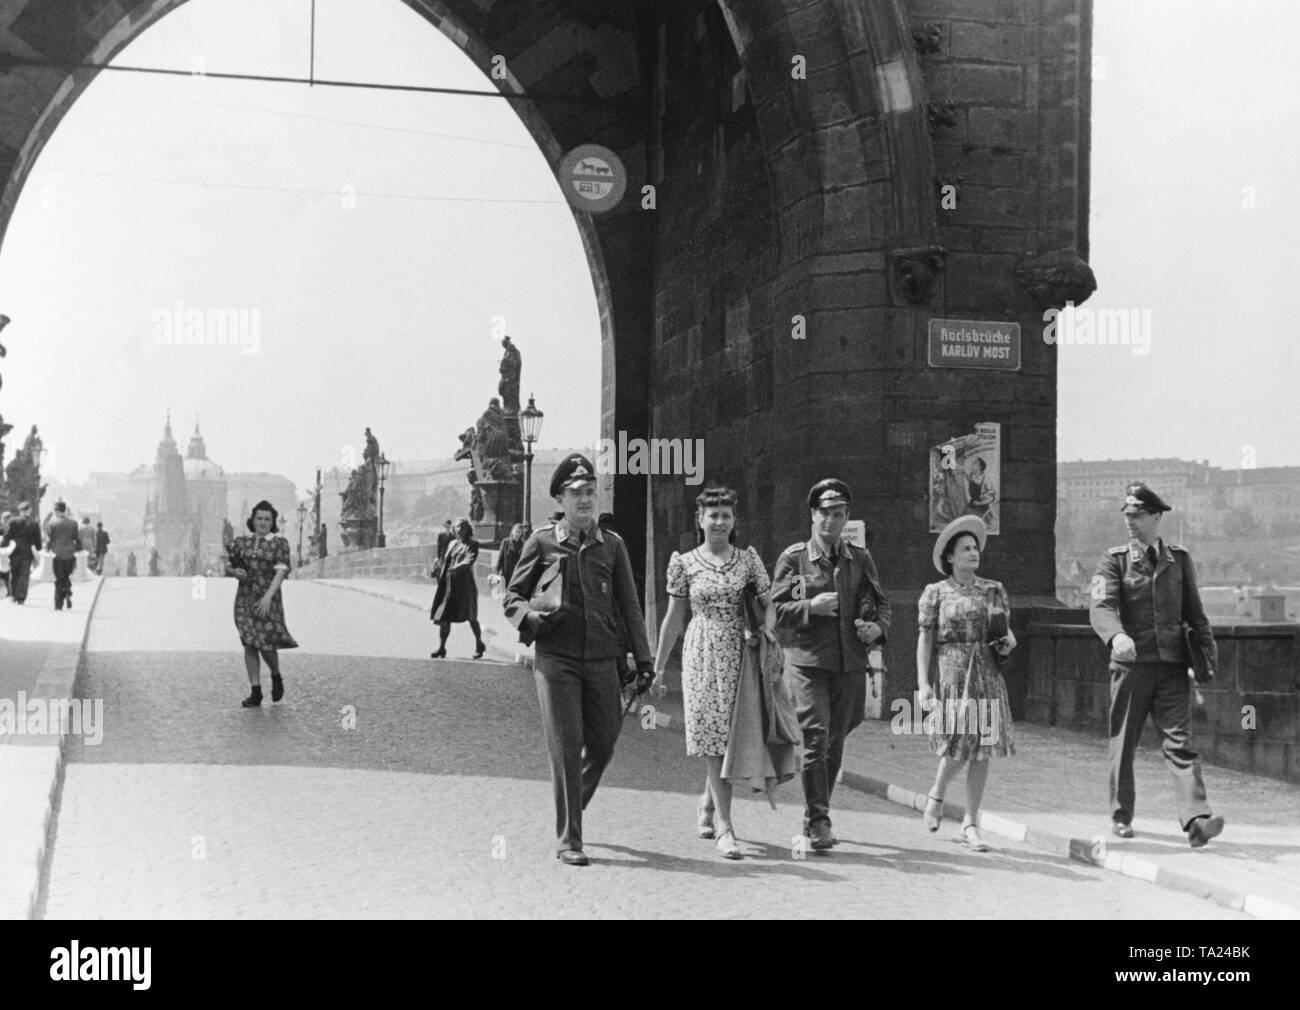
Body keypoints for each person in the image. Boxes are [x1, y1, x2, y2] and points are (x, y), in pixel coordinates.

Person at [503, 453, 654, 866]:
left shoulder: (613, 545)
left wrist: (643, 658)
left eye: (591, 492)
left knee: (603, 744)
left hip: (602, 659)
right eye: (577, 494)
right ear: (560, 499)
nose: (586, 500)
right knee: (566, 748)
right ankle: (570, 838)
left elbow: (630, 605)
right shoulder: (542, 542)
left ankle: (571, 806)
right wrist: (528, 616)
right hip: (556, 661)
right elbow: (512, 595)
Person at [654, 486, 795, 859]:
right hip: (700, 652)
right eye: (712, 515)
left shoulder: (748, 561)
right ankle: (725, 827)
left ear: (734, 521)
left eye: (726, 515)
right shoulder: (684, 564)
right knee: (712, 735)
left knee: (729, 736)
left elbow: (770, 605)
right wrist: (657, 669)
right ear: (699, 520)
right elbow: (673, 619)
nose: (719, 522)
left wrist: (765, 630)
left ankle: (707, 802)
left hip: (741, 653)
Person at [1090, 482, 1223, 847]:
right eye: (1127, 515)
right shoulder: (1113, 560)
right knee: (1124, 742)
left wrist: (1207, 659)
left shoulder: (1179, 560)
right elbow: (1100, 607)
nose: (1130, 521)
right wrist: (1116, 635)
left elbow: (1196, 614)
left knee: (1180, 744)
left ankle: (1197, 819)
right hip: (1131, 667)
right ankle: (1120, 816)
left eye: (1138, 515)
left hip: (1173, 668)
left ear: (1156, 517)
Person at [771, 478, 891, 851]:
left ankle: (817, 813)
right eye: (825, 513)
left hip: (849, 662)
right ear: (813, 514)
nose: (831, 520)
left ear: (846, 517)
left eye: (839, 514)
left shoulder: (860, 559)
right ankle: (819, 819)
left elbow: (880, 603)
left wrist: (877, 629)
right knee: (817, 737)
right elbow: (776, 610)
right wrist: (810, 606)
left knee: (835, 741)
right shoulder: (796, 559)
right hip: (808, 662)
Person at [916, 516, 1016, 851]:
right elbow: (926, 640)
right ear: (950, 557)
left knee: (982, 751)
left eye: (975, 548)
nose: (973, 553)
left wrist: (1009, 642)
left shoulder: (993, 590)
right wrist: (924, 685)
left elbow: (1005, 630)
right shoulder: (936, 593)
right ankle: (937, 794)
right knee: (957, 747)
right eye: (965, 549)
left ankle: (971, 823)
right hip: (952, 674)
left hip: (987, 673)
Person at [226, 500, 298, 708]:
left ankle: (275, 675)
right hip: (245, 598)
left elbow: (281, 572)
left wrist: (268, 597)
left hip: (268, 598)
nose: (263, 522)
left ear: (273, 521)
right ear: (253, 520)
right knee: (249, 642)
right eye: (259, 518)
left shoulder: (279, 543)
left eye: (267, 519)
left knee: (265, 643)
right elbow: (229, 566)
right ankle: (255, 691)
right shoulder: (241, 542)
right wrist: (234, 572)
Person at [429, 518, 485, 659]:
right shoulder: (452, 543)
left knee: (471, 617)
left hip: (465, 586)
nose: (459, 530)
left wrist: (457, 568)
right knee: (444, 616)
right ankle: (442, 648)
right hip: (448, 585)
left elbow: (469, 559)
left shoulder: (472, 544)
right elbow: (445, 560)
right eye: (457, 527)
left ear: (467, 529)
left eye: (462, 527)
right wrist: (438, 568)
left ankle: (479, 644)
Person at [1, 501, 41, 604]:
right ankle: (21, 598)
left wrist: (2, 546)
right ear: (29, 510)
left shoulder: (13, 521)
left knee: (14, 574)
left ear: (19, 511)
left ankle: (14, 595)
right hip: (27, 553)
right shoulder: (34, 523)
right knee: (24, 574)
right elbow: (38, 541)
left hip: (14, 552)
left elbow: (7, 536)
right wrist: (38, 547)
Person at [46, 500, 81, 610]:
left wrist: (46, 550)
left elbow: (49, 540)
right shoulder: (73, 523)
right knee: (66, 575)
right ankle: (67, 591)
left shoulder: (51, 523)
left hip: (57, 555)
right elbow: (77, 539)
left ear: (56, 511)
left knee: (59, 579)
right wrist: (79, 550)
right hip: (70, 554)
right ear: (64, 510)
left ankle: (58, 604)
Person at [493, 522, 526, 588]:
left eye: (520, 532)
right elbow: (501, 557)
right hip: (506, 572)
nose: (517, 534)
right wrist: (497, 570)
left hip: (516, 574)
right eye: (516, 531)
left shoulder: (523, 545)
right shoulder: (506, 542)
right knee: (505, 593)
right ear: (512, 531)